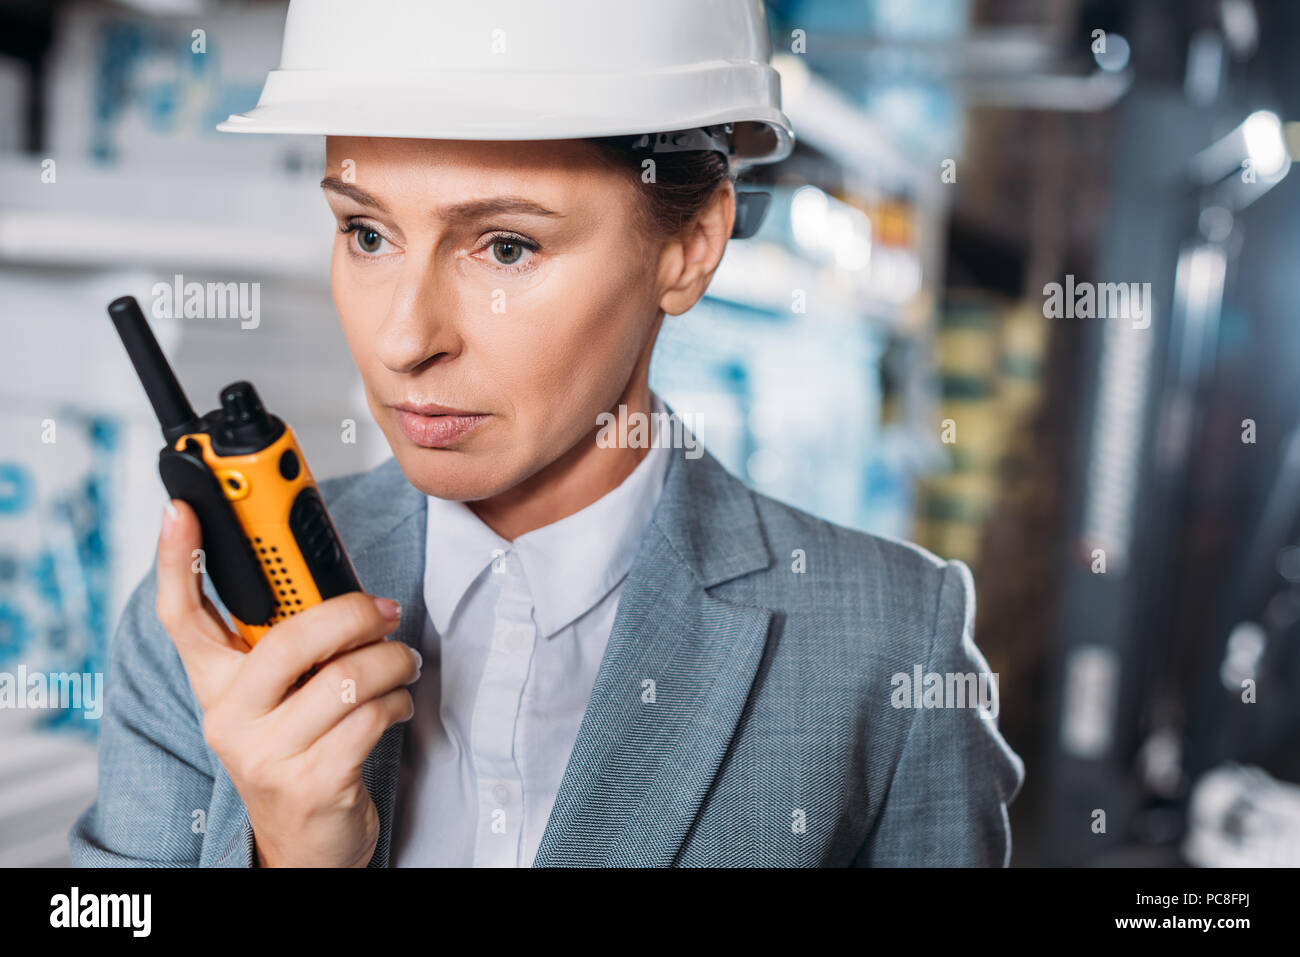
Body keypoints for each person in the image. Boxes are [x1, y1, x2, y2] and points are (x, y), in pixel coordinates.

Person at [69, 0, 1024, 867]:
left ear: (689, 245)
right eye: (367, 233)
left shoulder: (891, 649)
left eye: (507, 246)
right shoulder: (211, 636)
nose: (405, 341)